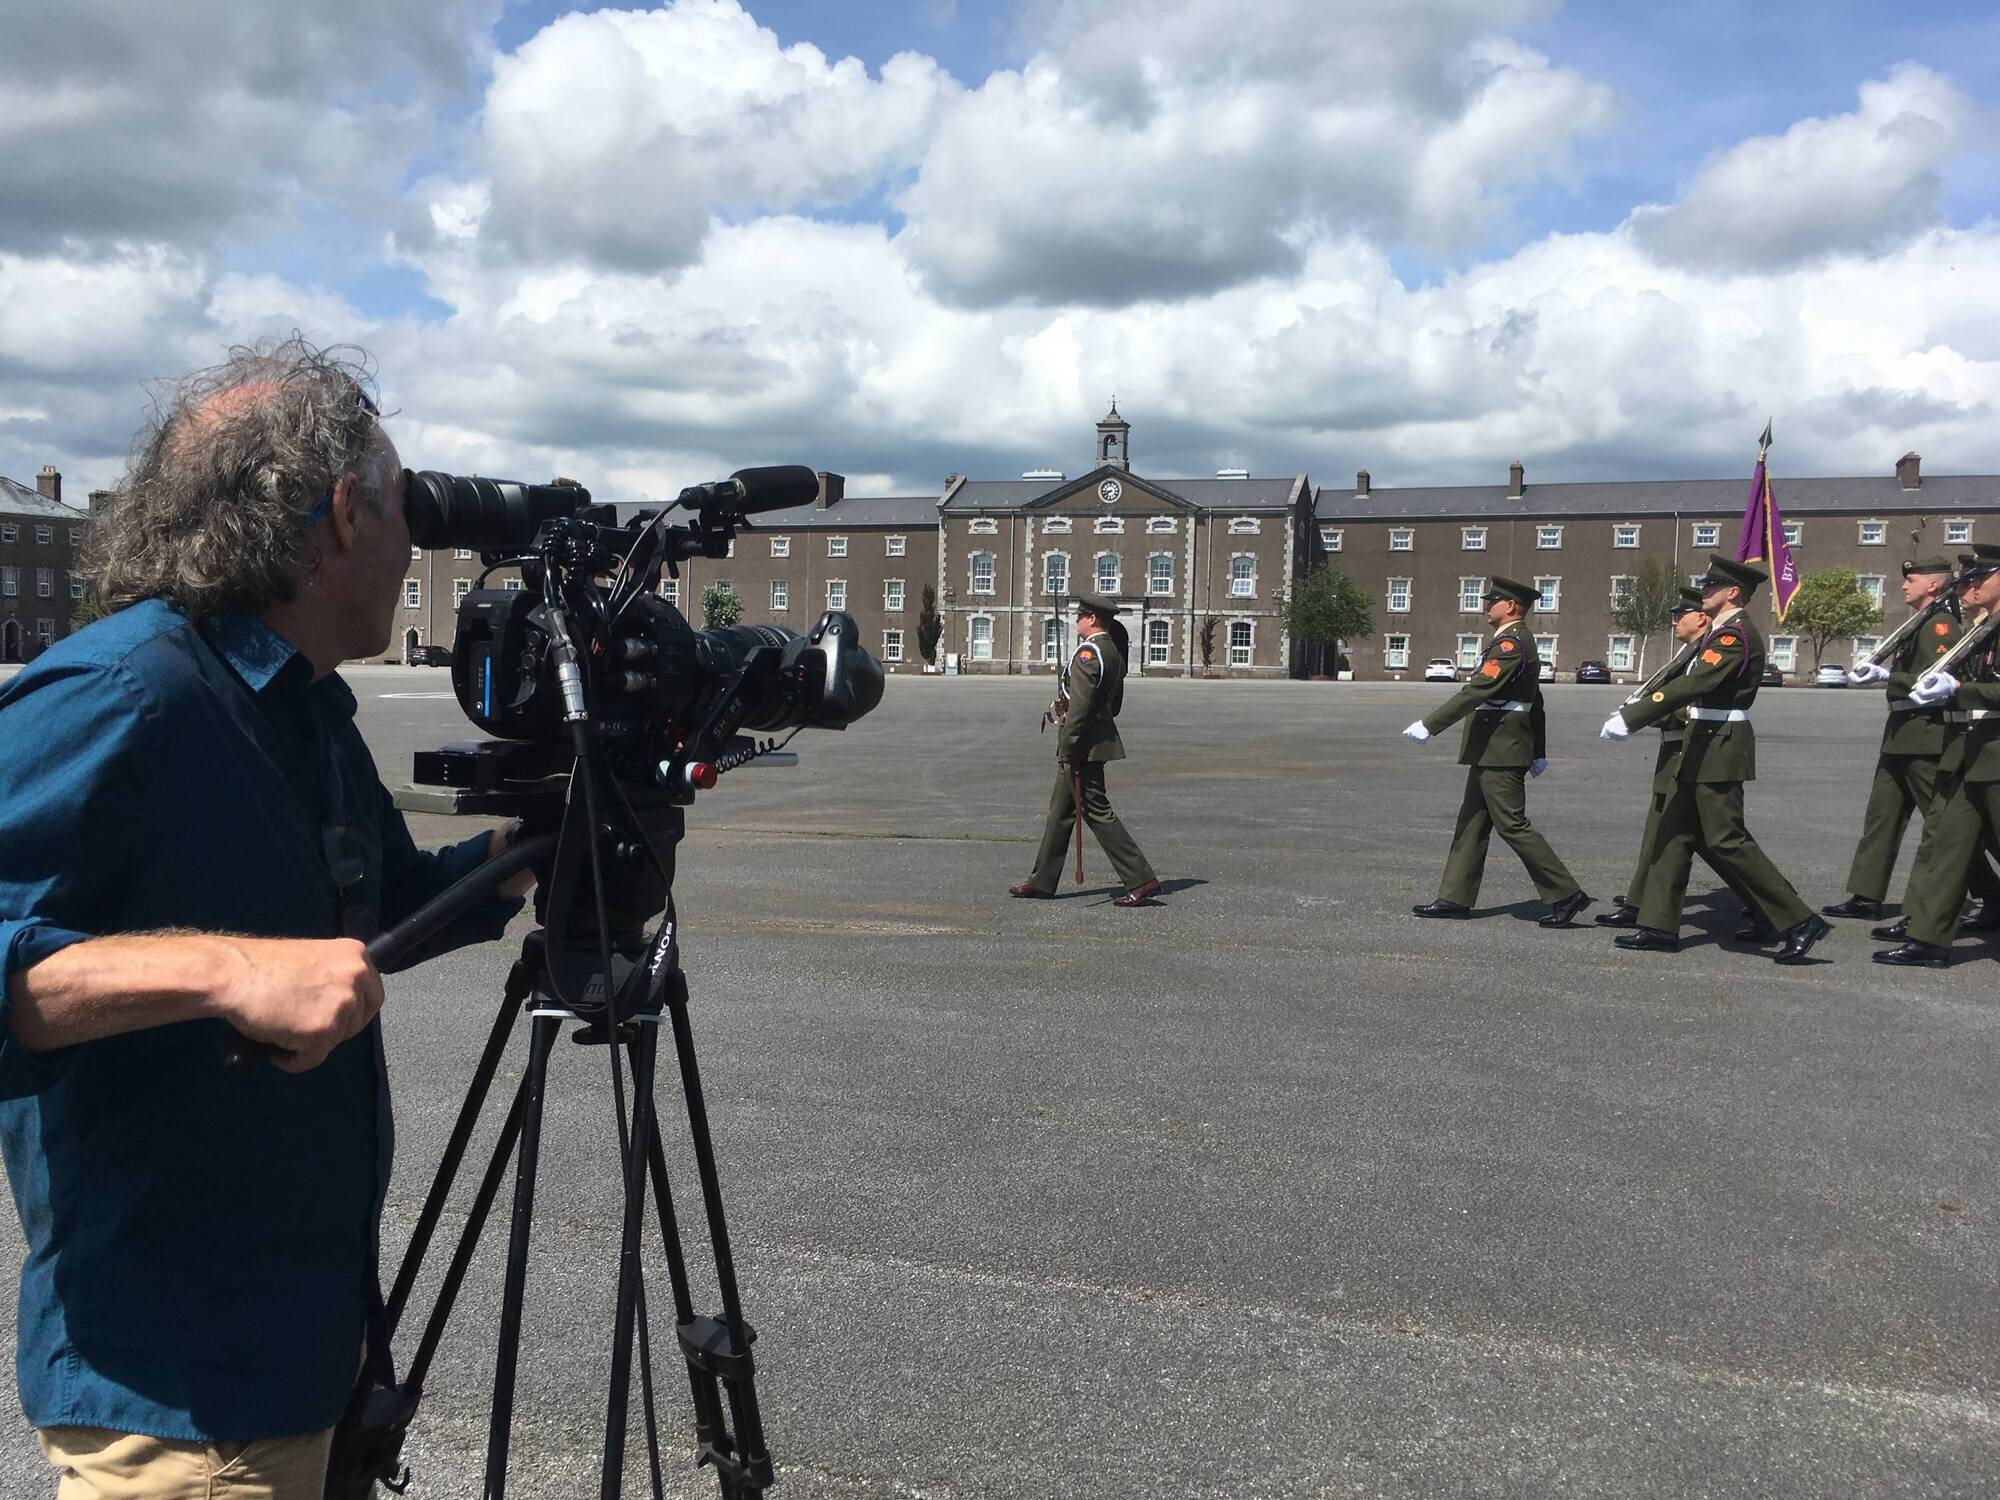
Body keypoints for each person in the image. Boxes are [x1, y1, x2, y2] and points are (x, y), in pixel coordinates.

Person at [0, 338, 532, 1497]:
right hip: (185, 1408)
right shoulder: (123, 691)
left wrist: (531, 851)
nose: (411, 547)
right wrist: (218, 971)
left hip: (308, 1356)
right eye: (405, 511)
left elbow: (373, 914)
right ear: (345, 515)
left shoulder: (304, 704)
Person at [1601, 554, 1829, 962]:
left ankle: (1798, 920)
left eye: (1711, 586)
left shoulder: (1733, 635)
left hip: (1720, 744)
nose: (1703, 591)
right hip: (1702, 741)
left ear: (1733, 592)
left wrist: (1634, 716)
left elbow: (1698, 682)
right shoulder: (1719, 633)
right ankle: (1658, 926)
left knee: (1727, 840)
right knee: (1674, 832)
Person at [1403, 575, 1589, 925]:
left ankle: (1566, 893)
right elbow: (1536, 700)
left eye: (1494, 600)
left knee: (1512, 824)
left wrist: (1430, 725)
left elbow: (1479, 690)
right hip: (1493, 747)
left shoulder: (1512, 644)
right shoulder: (1507, 641)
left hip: (1502, 748)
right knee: (1471, 823)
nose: (1487, 605)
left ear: (1512, 606)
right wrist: (1539, 749)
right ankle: (1454, 897)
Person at [1832, 557, 2000, 936]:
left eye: (1912, 579)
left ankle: (1982, 896)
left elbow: (1940, 680)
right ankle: (1870, 896)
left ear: (1932, 587)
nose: (1904, 586)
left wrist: (1892, 677)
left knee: (1949, 833)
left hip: (1928, 735)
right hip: (1904, 732)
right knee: (1885, 819)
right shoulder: (1926, 622)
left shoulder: (1940, 624)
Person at [1874, 543, 2000, 966]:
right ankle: (1929, 940)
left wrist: (1961, 690)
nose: (1971, 586)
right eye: (1968, 579)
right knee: (1946, 842)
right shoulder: (1983, 628)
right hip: (1967, 747)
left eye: (1981, 577)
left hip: (1996, 750)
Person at [1010, 592, 1162, 906]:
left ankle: (1141, 878)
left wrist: (1068, 744)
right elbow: (1114, 704)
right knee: (1061, 811)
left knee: (1096, 810)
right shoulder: (1113, 652)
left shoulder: (1088, 654)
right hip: (1094, 737)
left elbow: (1079, 708)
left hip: (1082, 745)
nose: (1076, 620)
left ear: (1092, 619)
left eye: (1080, 615)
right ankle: (1041, 881)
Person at [1596, 589, 1713, 927]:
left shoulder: (1705, 655)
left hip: (1691, 752)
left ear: (1701, 617)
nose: (1675, 621)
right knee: (1658, 833)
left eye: (1681, 615)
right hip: (1673, 752)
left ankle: (1774, 907)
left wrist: (1644, 716)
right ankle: (1638, 902)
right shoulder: (1689, 653)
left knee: (1718, 843)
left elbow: (1690, 708)